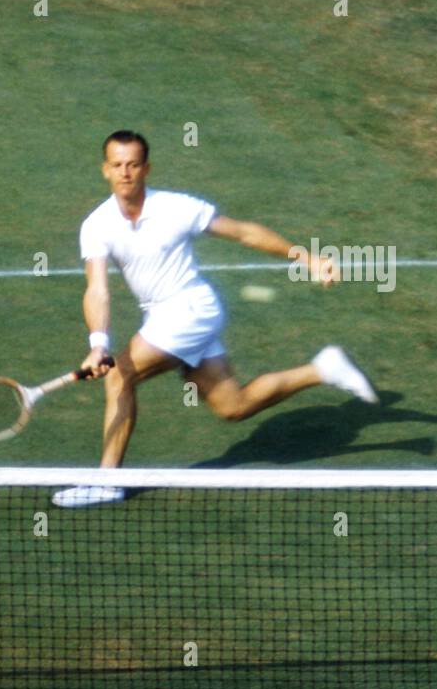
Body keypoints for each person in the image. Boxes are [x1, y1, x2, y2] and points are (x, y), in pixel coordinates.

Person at [52, 130, 378, 508]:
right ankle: (322, 369)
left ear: (147, 168)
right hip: (166, 316)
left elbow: (243, 232)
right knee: (233, 406)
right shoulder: (97, 225)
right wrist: (98, 344)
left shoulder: (176, 207)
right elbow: (97, 289)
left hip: (191, 308)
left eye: (133, 164)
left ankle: (107, 482)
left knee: (120, 377)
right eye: (117, 165)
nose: (126, 172)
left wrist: (306, 258)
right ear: (105, 170)